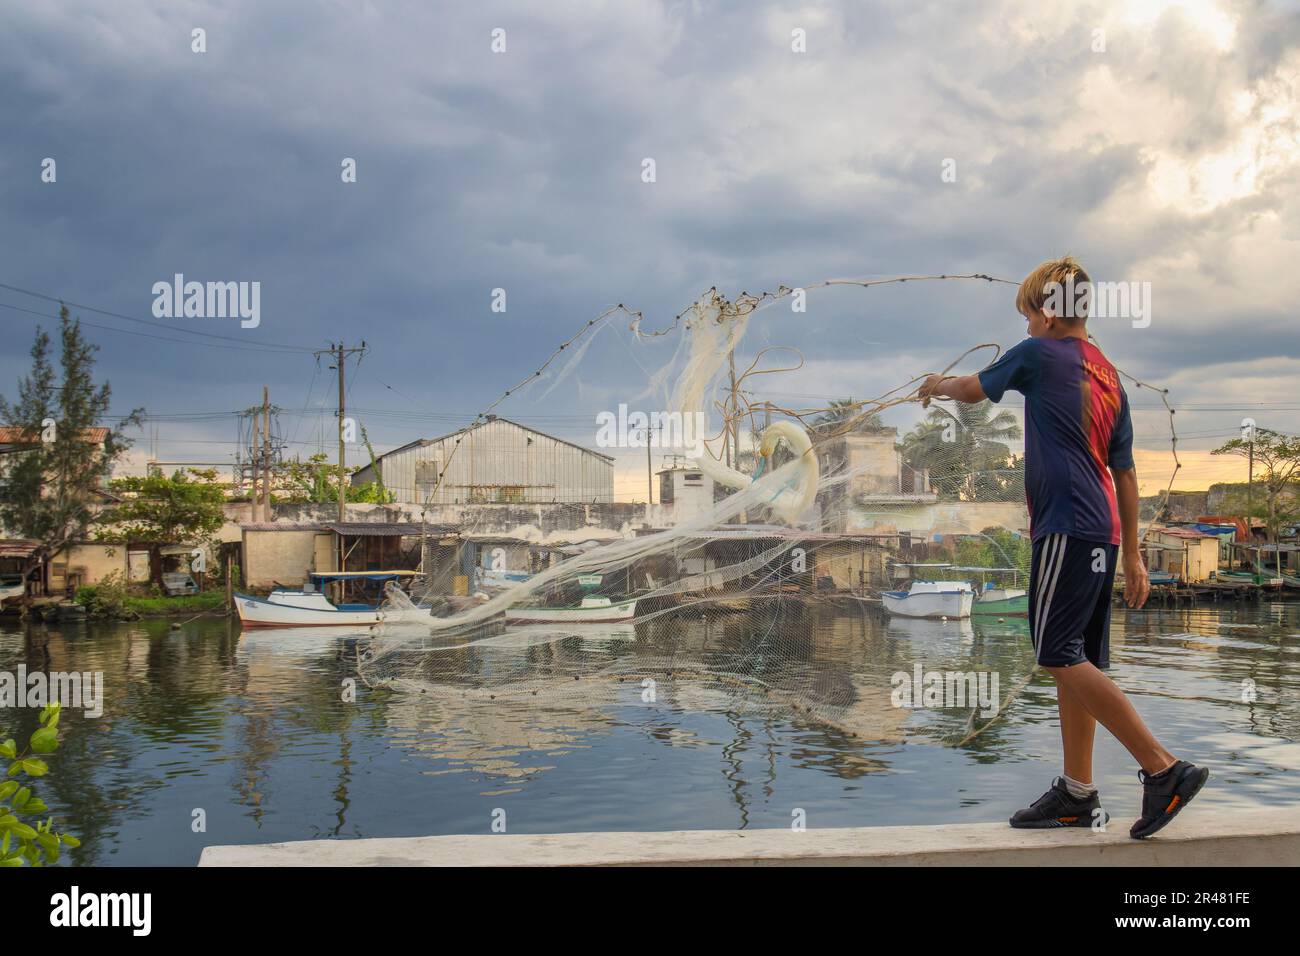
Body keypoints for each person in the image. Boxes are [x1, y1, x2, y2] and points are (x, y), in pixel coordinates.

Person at [919, 256, 1208, 839]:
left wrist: (936, 384)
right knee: (1077, 661)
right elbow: (1125, 473)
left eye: (1028, 315)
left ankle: (1163, 768)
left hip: (1065, 525)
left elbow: (973, 390)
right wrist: (1131, 555)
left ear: (1049, 314)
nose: (1025, 327)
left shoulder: (1038, 355)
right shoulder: (1108, 374)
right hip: (1100, 531)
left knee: (1054, 653)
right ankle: (1077, 793)